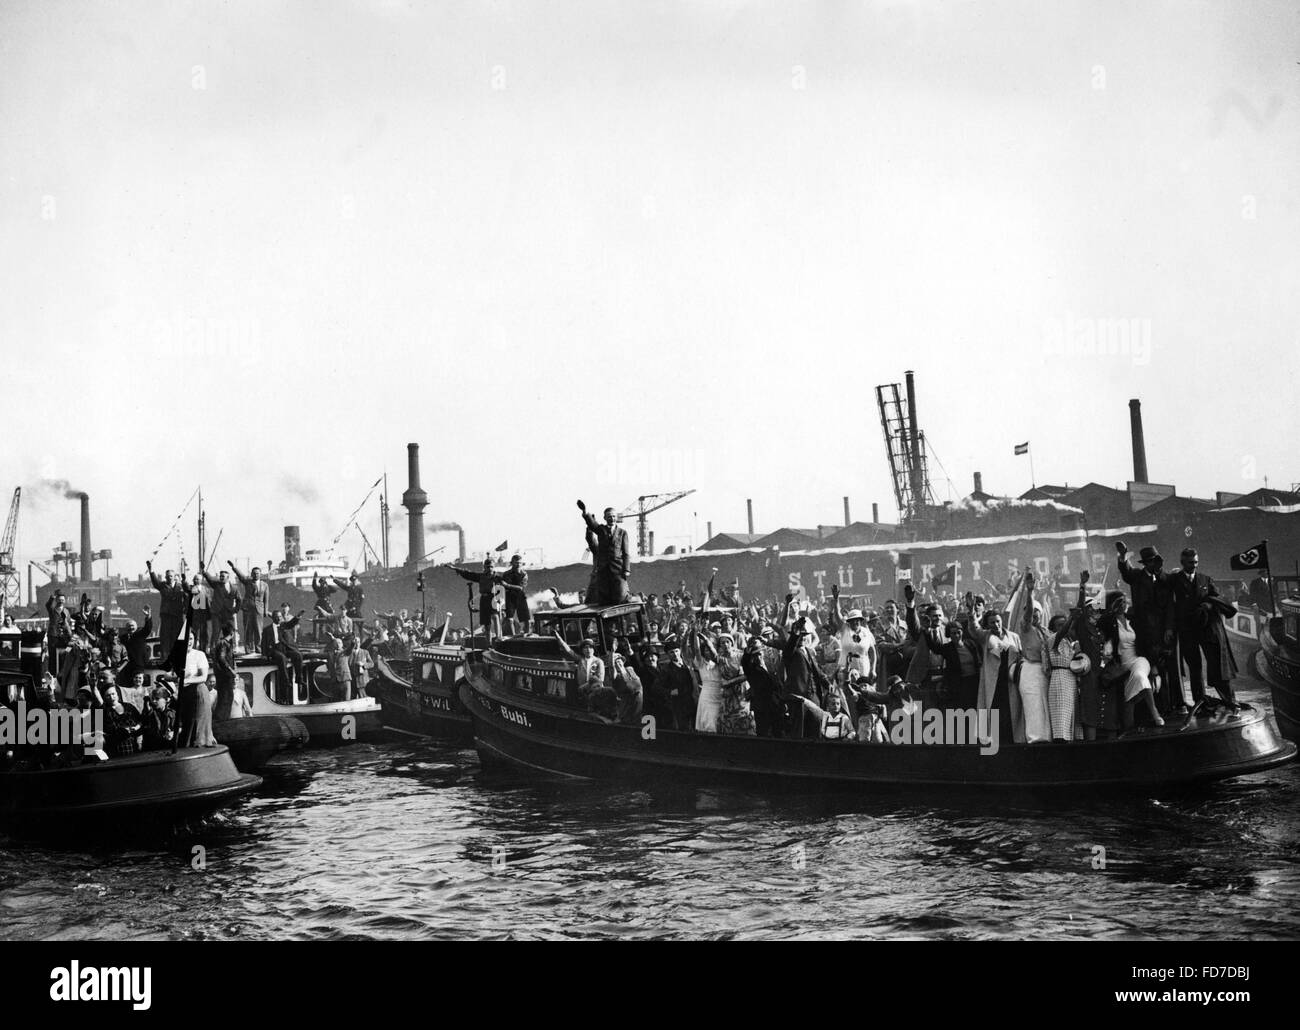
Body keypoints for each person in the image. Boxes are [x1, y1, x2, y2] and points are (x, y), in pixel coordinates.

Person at [1163, 547, 1239, 708]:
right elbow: (1170, 605)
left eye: (1196, 562)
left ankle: (1230, 701)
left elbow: (1216, 599)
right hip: (1186, 630)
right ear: (1182, 562)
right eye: (1190, 563)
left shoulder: (1206, 579)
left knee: (1217, 664)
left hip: (1206, 629)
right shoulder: (1174, 580)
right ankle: (1200, 702)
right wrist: (1169, 628)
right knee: (1194, 667)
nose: (1194, 566)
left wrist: (1208, 605)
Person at [1116, 542, 1179, 713]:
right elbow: (1126, 571)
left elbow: (1169, 607)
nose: (1153, 564)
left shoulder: (1164, 578)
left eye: (1155, 561)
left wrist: (1168, 628)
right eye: (1150, 561)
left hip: (1162, 631)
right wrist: (1123, 556)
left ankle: (1169, 705)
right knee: (1149, 668)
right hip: (1144, 631)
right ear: (1144, 563)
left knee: (1166, 668)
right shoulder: (1137, 576)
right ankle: (1150, 709)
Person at [1099, 590, 1164, 730]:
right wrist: (1110, 611)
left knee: (1140, 676)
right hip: (1122, 664)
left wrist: (1153, 666)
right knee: (1130, 696)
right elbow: (1100, 621)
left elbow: (1146, 643)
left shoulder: (1133, 620)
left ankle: (1154, 711)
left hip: (1138, 659)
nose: (1123, 604)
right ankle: (1130, 724)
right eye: (1119, 602)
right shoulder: (1109, 622)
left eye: (1124, 601)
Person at [969, 604, 1023, 745]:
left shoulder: (1014, 637)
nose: (996, 625)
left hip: (1010, 679)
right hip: (993, 680)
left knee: (1011, 710)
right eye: (992, 622)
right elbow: (974, 628)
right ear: (987, 624)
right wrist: (971, 612)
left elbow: (1021, 656)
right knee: (993, 709)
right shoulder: (985, 637)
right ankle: (991, 742)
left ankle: (1011, 742)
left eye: (998, 621)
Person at [576, 500, 631, 604]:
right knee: (604, 597)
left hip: (617, 569)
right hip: (603, 569)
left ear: (616, 517)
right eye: (609, 516)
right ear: (605, 518)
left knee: (621, 595)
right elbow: (592, 525)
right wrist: (585, 512)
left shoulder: (622, 533)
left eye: (614, 516)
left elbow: (626, 553)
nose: (612, 518)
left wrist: (626, 569)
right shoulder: (601, 530)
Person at [146, 560, 190, 674]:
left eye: (171, 576)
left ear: (175, 577)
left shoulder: (181, 587)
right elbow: (155, 582)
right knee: (165, 638)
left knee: (178, 637)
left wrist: (185, 609)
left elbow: (188, 595)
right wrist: (151, 570)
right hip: (166, 615)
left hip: (178, 616)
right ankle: (165, 659)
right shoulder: (162, 586)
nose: (169, 578)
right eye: (167, 576)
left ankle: (178, 659)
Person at [741, 634, 786, 738]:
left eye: (760, 654)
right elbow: (745, 663)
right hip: (761, 707)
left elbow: (779, 685)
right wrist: (748, 651)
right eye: (755, 655)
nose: (758, 657)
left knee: (778, 734)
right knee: (763, 735)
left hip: (776, 706)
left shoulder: (771, 667)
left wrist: (782, 701)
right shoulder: (752, 670)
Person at [1045, 612, 1080, 742]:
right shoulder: (1052, 639)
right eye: (1060, 625)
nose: (1064, 627)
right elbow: (1062, 632)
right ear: (1053, 628)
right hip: (1059, 676)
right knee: (1060, 713)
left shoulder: (1069, 642)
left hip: (1070, 677)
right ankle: (1060, 741)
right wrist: (1072, 617)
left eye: (1064, 624)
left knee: (1071, 714)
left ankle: (1070, 741)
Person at [179, 636, 216, 746]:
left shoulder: (199, 655)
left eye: (191, 639)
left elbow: (203, 677)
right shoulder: (178, 655)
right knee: (186, 724)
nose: (189, 641)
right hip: (185, 693)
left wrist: (186, 680)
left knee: (199, 726)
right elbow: (169, 674)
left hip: (198, 692)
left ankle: (201, 746)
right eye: (186, 638)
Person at [228, 560, 269, 654]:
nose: (256, 575)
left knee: (258, 630)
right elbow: (240, 575)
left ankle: (258, 648)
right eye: (254, 573)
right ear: (251, 574)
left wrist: (265, 610)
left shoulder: (265, 585)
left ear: (260, 574)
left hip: (259, 610)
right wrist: (234, 567)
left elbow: (266, 599)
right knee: (248, 630)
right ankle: (248, 649)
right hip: (248, 609)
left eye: (257, 573)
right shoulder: (247, 582)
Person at [658, 635, 697, 731]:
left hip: (693, 700)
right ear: (667, 654)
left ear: (680, 651)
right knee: (684, 728)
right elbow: (657, 687)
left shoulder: (688, 664)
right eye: (671, 652)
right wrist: (670, 692)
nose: (675, 654)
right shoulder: (666, 669)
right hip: (679, 704)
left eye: (676, 651)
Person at [261, 611, 299, 703]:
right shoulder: (267, 629)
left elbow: (290, 624)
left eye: (280, 616)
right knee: (282, 658)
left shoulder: (283, 626)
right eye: (277, 617)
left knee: (297, 655)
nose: (279, 618)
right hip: (273, 650)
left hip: (282, 648)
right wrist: (264, 654)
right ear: (273, 618)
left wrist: (297, 617)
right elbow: (263, 643)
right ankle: (286, 681)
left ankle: (299, 678)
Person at [554, 634, 606, 700]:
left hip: (595, 691)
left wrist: (585, 686)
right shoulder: (580, 660)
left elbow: (600, 679)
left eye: (590, 647)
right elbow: (568, 650)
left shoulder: (599, 661)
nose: (588, 650)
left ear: (594, 649)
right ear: (582, 650)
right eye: (586, 647)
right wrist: (558, 637)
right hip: (582, 692)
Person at [201, 562, 240, 647]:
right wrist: (204, 571)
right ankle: (213, 650)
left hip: (228, 614)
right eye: (220, 576)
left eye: (223, 576)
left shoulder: (234, 588)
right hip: (217, 614)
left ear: (228, 577)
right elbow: (210, 579)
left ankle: (229, 651)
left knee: (229, 633)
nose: (221, 578)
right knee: (216, 633)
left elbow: (239, 600)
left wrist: (235, 610)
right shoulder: (216, 584)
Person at [101, 684, 144, 757]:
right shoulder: (102, 711)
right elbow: (100, 736)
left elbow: (141, 722)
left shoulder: (129, 707)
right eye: (108, 695)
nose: (111, 697)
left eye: (113, 694)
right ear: (104, 698)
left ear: (117, 694)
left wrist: (136, 728)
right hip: (114, 753)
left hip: (133, 750)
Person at [141, 685, 179, 751]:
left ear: (166, 700)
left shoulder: (172, 713)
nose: (154, 701)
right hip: (152, 747)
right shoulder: (150, 713)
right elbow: (145, 719)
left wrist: (172, 733)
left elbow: (179, 727)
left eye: (157, 699)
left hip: (167, 746)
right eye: (153, 699)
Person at [610, 652, 643, 724]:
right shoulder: (615, 676)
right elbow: (611, 668)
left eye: (618, 661)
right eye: (615, 663)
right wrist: (612, 653)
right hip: (627, 705)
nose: (617, 664)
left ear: (622, 661)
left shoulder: (630, 669)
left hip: (639, 702)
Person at [502, 554, 530, 635]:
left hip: (520, 596)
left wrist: (507, 585)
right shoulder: (506, 574)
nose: (518, 564)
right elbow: (502, 586)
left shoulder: (524, 574)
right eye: (516, 562)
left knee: (526, 618)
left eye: (520, 563)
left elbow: (521, 587)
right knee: (509, 618)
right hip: (509, 597)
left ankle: (527, 635)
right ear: (512, 563)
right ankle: (513, 636)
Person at [190, 573, 212, 650]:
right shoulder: (191, 588)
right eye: (195, 579)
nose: (196, 580)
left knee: (204, 634)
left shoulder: (206, 589)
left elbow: (209, 600)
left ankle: (204, 650)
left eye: (198, 579)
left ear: (201, 580)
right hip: (194, 615)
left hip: (204, 615)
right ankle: (193, 649)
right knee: (194, 634)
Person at [348, 631, 373, 698]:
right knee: (352, 700)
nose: (357, 644)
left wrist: (363, 664)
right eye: (355, 642)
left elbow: (371, 664)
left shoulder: (365, 652)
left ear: (360, 643)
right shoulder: (349, 653)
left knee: (364, 699)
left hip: (362, 681)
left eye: (358, 642)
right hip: (352, 681)